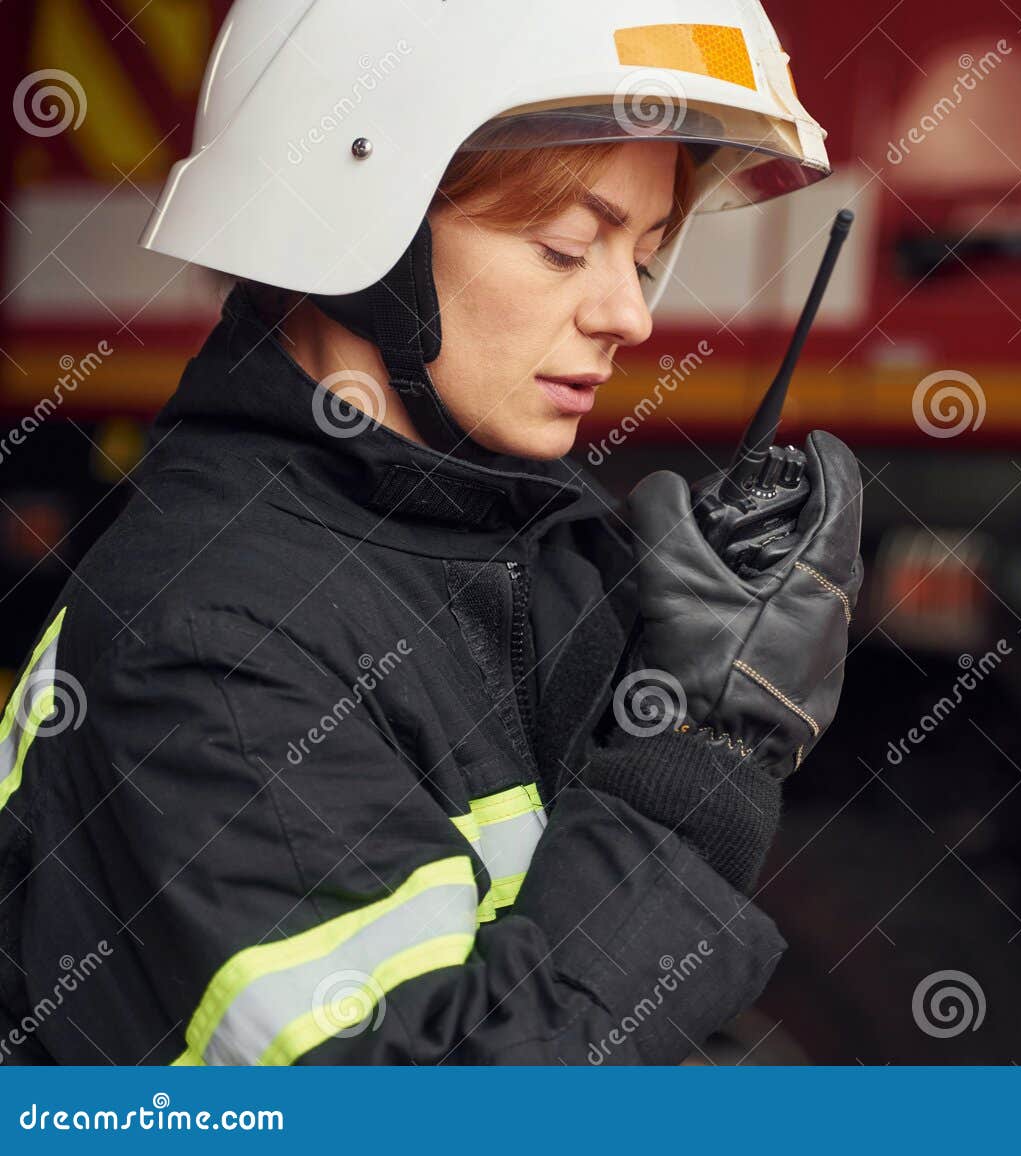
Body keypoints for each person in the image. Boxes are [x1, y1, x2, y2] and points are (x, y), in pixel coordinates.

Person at [0, 0, 863, 1065]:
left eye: (639, 257)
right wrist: (697, 760)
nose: (629, 316)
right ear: (350, 229)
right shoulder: (211, 641)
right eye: (562, 249)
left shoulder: (500, 549)